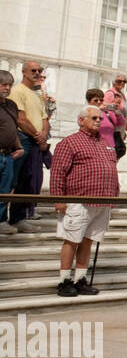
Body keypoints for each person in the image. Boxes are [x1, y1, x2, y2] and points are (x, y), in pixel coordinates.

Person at [50, 105, 119, 296]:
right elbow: (58, 172)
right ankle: (64, 281)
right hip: (78, 200)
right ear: (81, 120)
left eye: (100, 118)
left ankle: (80, 278)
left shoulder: (105, 143)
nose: (98, 121)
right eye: (94, 118)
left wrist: (114, 194)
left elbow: (112, 169)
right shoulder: (69, 142)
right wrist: (58, 198)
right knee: (71, 240)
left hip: (102, 201)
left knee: (88, 241)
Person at [9, 60, 50, 230]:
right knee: (13, 179)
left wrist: (43, 134)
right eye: (34, 70)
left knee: (28, 179)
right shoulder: (17, 91)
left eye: (39, 70)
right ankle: (3, 218)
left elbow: (44, 118)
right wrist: (37, 135)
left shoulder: (37, 94)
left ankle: (19, 217)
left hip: (35, 141)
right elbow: (21, 118)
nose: (37, 73)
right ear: (24, 72)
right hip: (23, 139)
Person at [0, 70, 25, 232]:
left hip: (8, 154)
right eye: (3, 85)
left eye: (9, 85)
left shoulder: (11, 105)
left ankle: (1, 220)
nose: (7, 88)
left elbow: (13, 128)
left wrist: (19, 146)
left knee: (5, 190)